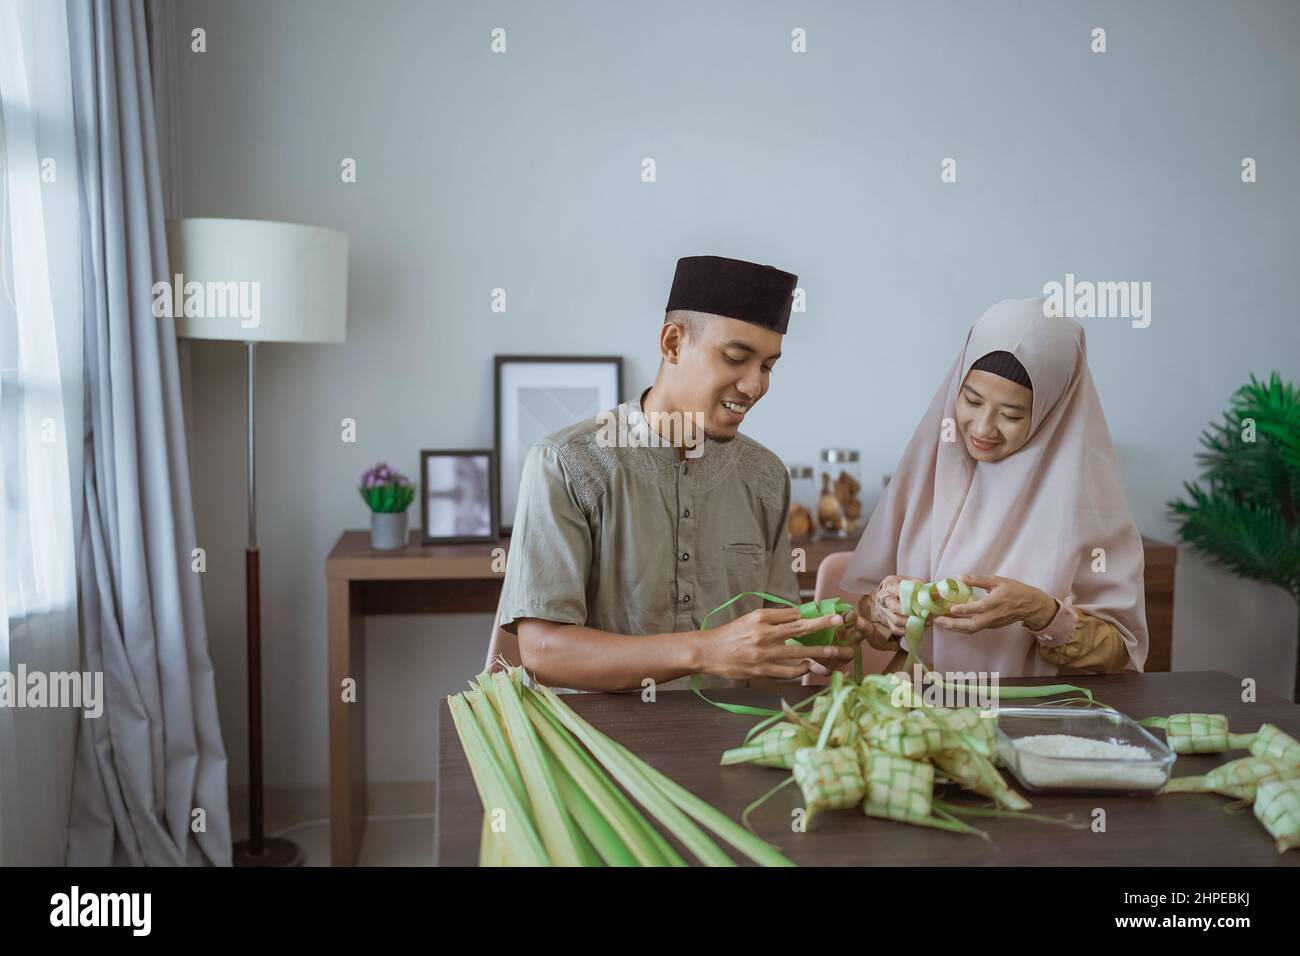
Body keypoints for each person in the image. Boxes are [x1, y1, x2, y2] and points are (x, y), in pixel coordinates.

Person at [498, 255, 876, 691]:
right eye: (736, 357)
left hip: (734, 741)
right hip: (601, 748)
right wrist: (706, 650)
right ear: (673, 343)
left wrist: (841, 631)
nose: (755, 386)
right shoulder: (566, 464)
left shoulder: (766, 475)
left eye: (768, 366)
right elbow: (544, 650)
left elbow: (776, 634)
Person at [841, 296, 1148, 677]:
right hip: (918, 714)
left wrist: (1041, 612)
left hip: (1030, 717)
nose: (983, 428)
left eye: (1012, 414)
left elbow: (1119, 652)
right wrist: (886, 606)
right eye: (971, 399)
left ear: (1052, 412)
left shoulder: (1090, 504)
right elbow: (869, 628)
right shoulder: (927, 474)